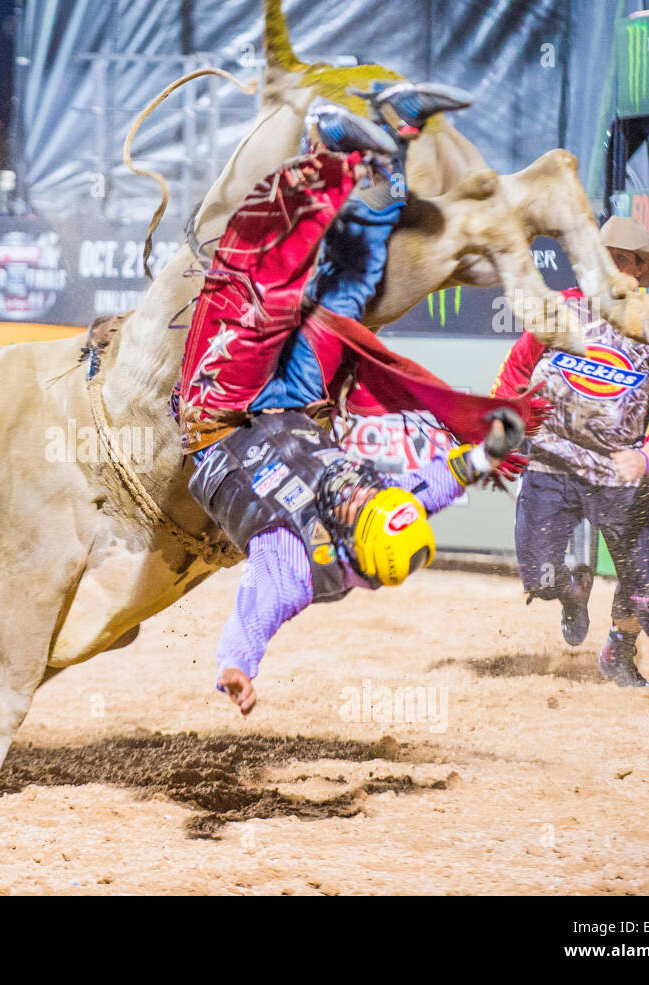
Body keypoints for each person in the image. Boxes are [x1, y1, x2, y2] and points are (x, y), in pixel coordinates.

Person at [176, 83, 542, 715]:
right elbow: (443, 479)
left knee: (272, 304)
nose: (360, 490)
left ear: (347, 540)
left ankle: (322, 151)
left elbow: (252, 616)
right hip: (295, 405)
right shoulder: (390, 512)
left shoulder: (294, 564)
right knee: (353, 286)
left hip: (220, 422)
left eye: (356, 504)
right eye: (373, 495)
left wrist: (236, 668)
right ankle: (392, 135)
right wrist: (487, 451)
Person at [490, 215, 649, 688]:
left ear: (639, 269)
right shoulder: (558, 311)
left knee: (643, 586)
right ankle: (571, 592)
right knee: (538, 573)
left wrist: (647, 454)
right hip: (553, 461)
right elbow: (514, 372)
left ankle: (619, 652)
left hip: (624, 473)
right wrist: (502, 431)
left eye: (619, 262)